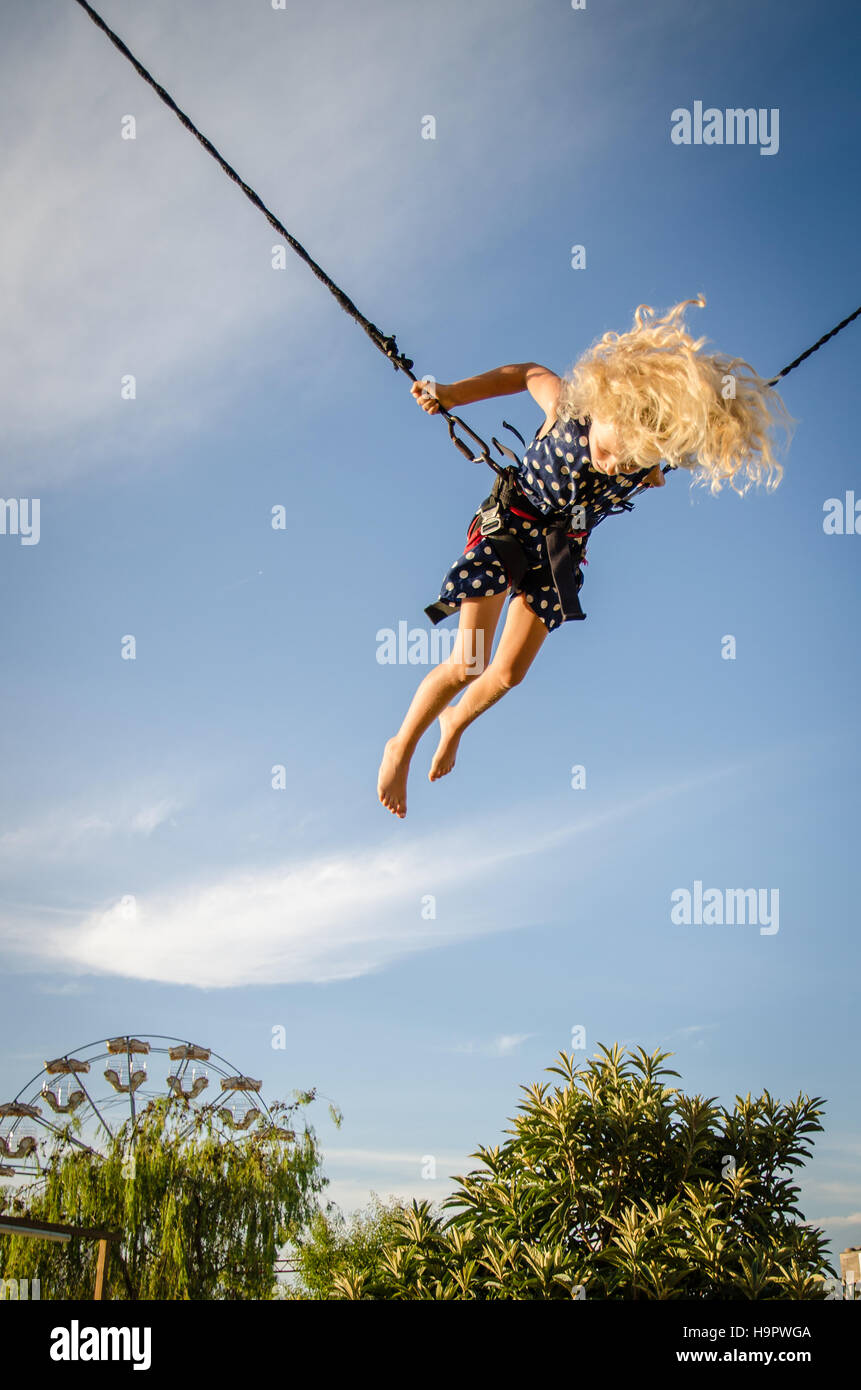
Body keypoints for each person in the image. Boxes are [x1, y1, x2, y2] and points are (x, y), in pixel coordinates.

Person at [377, 295, 792, 817]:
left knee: (507, 675)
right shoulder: (569, 406)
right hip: (509, 528)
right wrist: (452, 394)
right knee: (470, 661)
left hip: (558, 555)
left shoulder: (642, 460)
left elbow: (658, 458)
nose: (614, 464)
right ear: (605, 407)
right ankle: (401, 745)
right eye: (609, 450)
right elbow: (526, 371)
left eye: (630, 461)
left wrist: (666, 453)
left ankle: (456, 722)